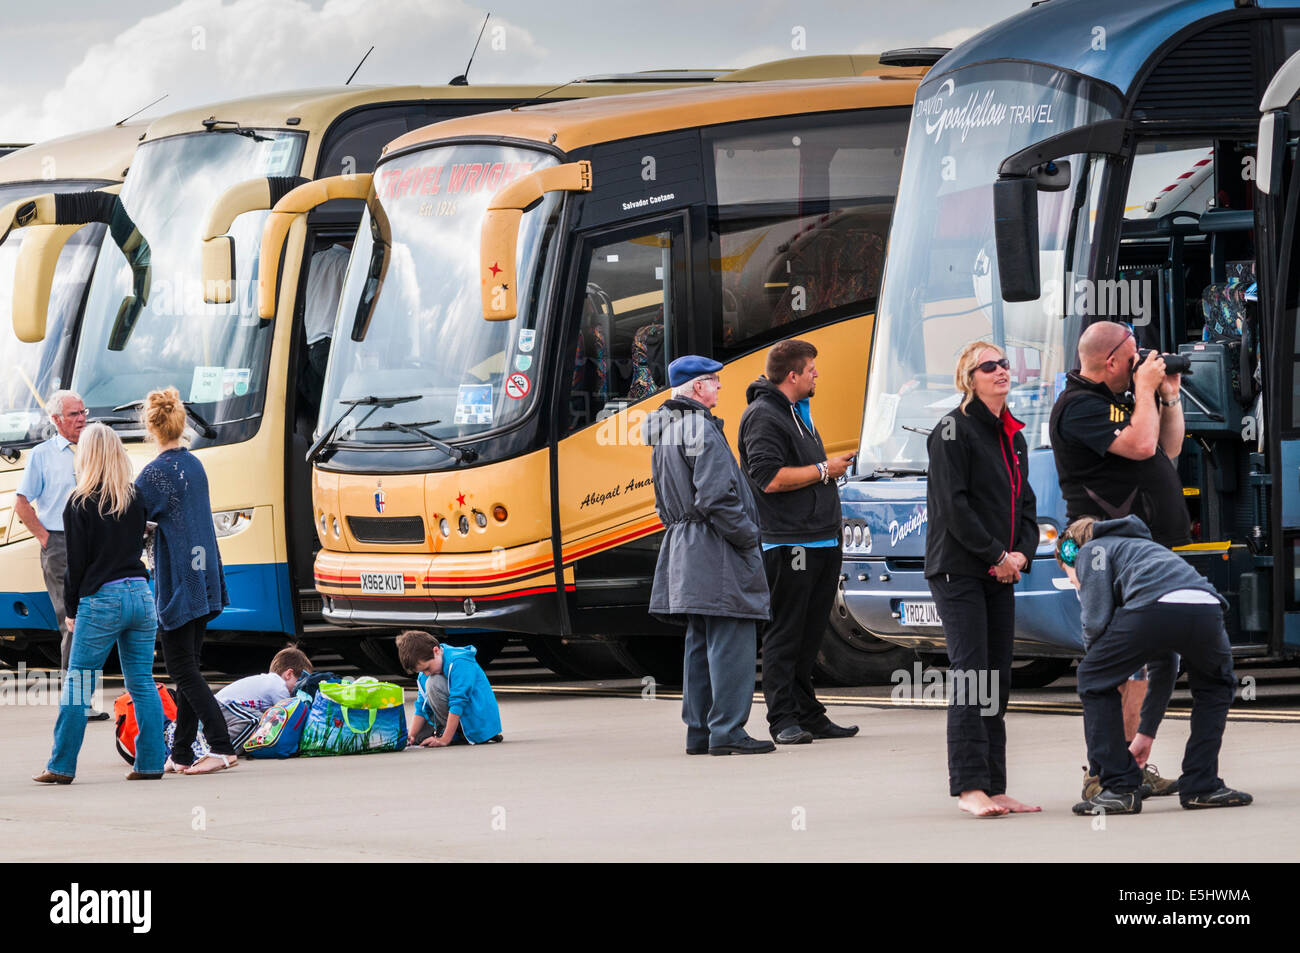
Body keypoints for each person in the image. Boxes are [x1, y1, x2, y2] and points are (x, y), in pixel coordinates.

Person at [1050, 320, 1187, 798]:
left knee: (1162, 656)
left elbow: (1166, 449)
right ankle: (1102, 773)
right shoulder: (1078, 407)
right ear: (1110, 361)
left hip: (1148, 550)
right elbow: (1141, 444)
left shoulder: (1127, 397)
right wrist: (1145, 389)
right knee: (1121, 661)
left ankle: (1130, 760)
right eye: (1132, 359)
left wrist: (1165, 394)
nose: (1139, 365)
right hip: (1109, 552)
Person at [1059, 516, 1251, 814]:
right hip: (1206, 607)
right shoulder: (1149, 550)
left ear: (1071, 551)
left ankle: (1118, 788)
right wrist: (1145, 734)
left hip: (1153, 608)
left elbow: (1095, 622)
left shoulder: (1092, 551)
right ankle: (1202, 785)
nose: (1074, 581)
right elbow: (1164, 664)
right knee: (1215, 686)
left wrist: (1099, 666)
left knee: (1092, 678)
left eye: (1070, 574)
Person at [925, 341, 1041, 818]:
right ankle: (969, 786)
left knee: (997, 678)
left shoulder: (1013, 436)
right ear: (968, 378)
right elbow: (955, 506)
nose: (1000, 371)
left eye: (1003, 364)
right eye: (987, 366)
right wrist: (995, 554)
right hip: (959, 570)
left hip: (1001, 570)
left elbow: (1026, 506)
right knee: (972, 676)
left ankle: (995, 785)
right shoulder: (952, 430)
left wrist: (1020, 554)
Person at [644, 355, 774, 756]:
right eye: (714, 381)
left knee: (700, 641)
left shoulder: (666, 430)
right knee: (732, 638)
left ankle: (699, 731)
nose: (720, 387)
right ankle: (729, 731)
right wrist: (748, 535)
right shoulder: (699, 427)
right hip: (716, 546)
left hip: (684, 545)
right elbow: (717, 496)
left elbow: (666, 500)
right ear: (697, 387)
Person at [739, 340, 858, 745]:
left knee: (810, 634)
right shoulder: (763, 417)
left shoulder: (798, 412)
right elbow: (769, 479)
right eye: (811, 369)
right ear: (793, 375)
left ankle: (809, 713)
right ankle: (782, 718)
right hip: (789, 543)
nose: (816, 375)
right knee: (786, 632)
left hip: (821, 539)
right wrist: (826, 469)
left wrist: (828, 471)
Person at [33, 424, 163, 783]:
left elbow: (76, 564)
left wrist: (72, 610)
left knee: (79, 683)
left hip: (101, 600)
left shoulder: (79, 502)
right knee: (142, 682)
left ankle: (61, 766)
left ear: (87, 455)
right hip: (140, 594)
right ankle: (150, 762)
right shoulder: (134, 497)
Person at [134, 386, 238, 775]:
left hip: (179, 579)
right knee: (190, 665)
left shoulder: (152, 475)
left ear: (151, 428)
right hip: (204, 574)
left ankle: (222, 746)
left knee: (181, 669)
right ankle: (180, 752)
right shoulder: (194, 465)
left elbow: (132, 525)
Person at [14, 390, 108, 718]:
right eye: (74, 414)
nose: (82, 418)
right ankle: (76, 702)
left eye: (84, 412)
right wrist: (45, 539)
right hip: (60, 544)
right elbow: (22, 503)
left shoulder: (96, 449)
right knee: (72, 621)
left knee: (97, 620)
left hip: (97, 544)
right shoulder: (41, 455)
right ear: (56, 420)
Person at [396, 630, 502, 747]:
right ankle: (447, 732)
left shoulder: (459, 661)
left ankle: (455, 734)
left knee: (433, 683)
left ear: (436, 651)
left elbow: (458, 701)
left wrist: (445, 739)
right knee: (420, 738)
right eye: (421, 671)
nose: (426, 674)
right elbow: (422, 707)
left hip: (478, 722)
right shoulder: (426, 672)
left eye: (427, 668)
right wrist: (411, 736)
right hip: (453, 717)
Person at [215, 646, 312, 751]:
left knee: (260, 722)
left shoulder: (268, 682)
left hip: (226, 707)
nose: (298, 689)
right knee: (256, 721)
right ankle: (222, 750)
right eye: (299, 681)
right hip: (225, 704)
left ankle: (218, 744)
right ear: (289, 674)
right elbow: (286, 717)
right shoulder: (278, 686)